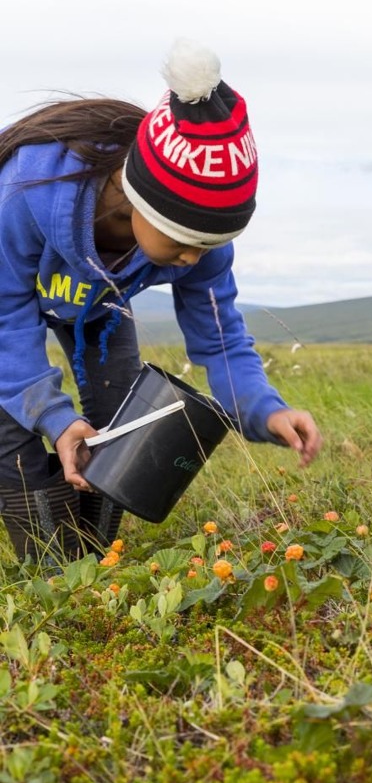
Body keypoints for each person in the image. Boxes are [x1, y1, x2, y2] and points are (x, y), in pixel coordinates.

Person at [0, 40, 323, 564]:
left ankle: (93, 561)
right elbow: (5, 321)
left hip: (95, 309)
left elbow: (220, 341)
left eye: (208, 245)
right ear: (137, 200)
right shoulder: (28, 191)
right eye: (181, 241)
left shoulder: (202, 247)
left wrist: (267, 411)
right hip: (3, 301)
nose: (192, 261)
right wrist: (54, 420)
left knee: (123, 419)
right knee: (11, 429)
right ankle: (53, 581)